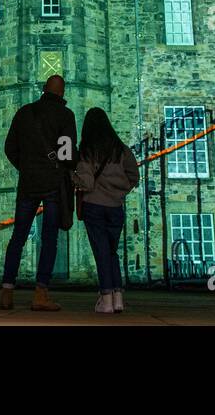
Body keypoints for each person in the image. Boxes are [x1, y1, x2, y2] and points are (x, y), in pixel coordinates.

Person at [0, 74, 77, 311]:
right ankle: (41, 294)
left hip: (28, 183)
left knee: (18, 237)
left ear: (44, 89)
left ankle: (7, 292)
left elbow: (9, 148)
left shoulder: (25, 113)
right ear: (62, 94)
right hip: (53, 184)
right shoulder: (66, 115)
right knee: (49, 239)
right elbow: (67, 154)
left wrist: (26, 167)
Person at [72, 107, 140, 314]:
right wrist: (119, 191)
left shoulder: (88, 150)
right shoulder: (121, 150)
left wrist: (71, 176)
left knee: (101, 253)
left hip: (94, 206)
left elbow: (86, 182)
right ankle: (118, 297)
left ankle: (106, 299)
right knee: (111, 253)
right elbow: (134, 177)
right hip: (116, 208)